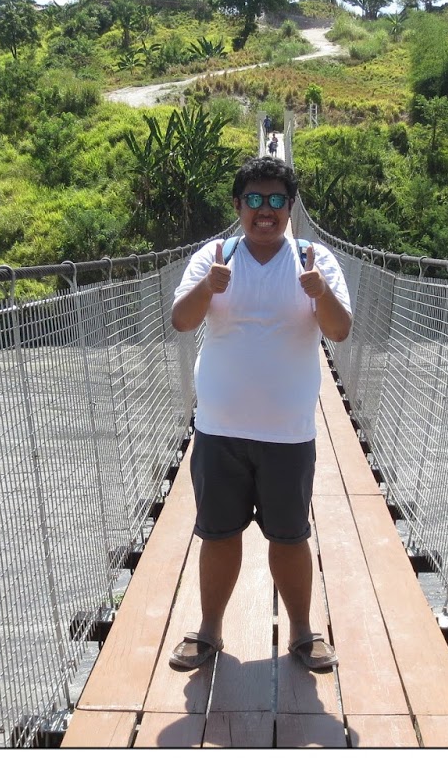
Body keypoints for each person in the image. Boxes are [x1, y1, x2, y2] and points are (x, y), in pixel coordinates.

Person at [168, 155, 352, 672]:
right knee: (218, 534)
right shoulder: (215, 255)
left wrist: (320, 294)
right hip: (220, 430)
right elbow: (181, 322)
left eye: (276, 200)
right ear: (238, 206)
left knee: (290, 537)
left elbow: (339, 332)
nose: (265, 210)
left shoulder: (316, 259)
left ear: (290, 208)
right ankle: (208, 632)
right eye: (254, 200)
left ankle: (301, 631)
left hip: (288, 435)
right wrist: (209, 287)